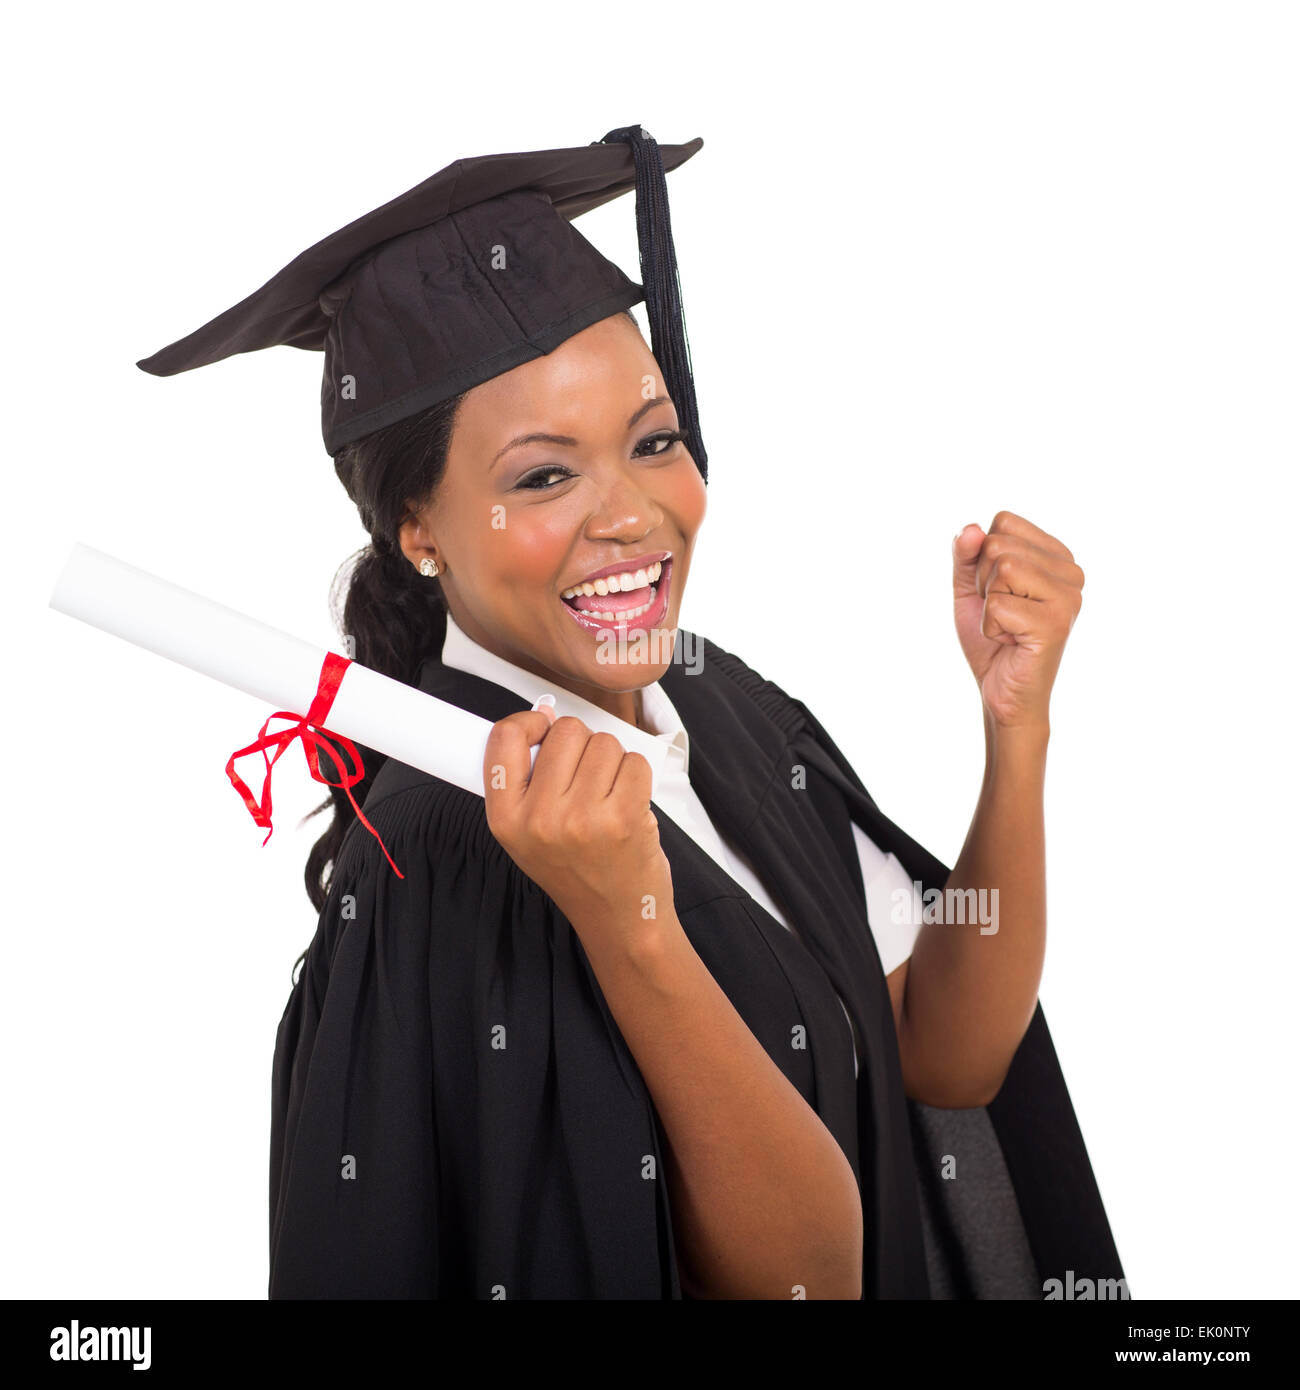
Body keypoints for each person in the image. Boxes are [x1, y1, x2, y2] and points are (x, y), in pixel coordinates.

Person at [137, 126, 1124, 1300]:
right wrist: (630, 925)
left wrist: (1015, 731)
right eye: (543, 476)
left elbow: (949, 1048)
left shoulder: (721, 706)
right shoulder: (453, 861)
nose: (631, 516)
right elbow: (808, 1279)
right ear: (417, 531)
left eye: (653, 442)